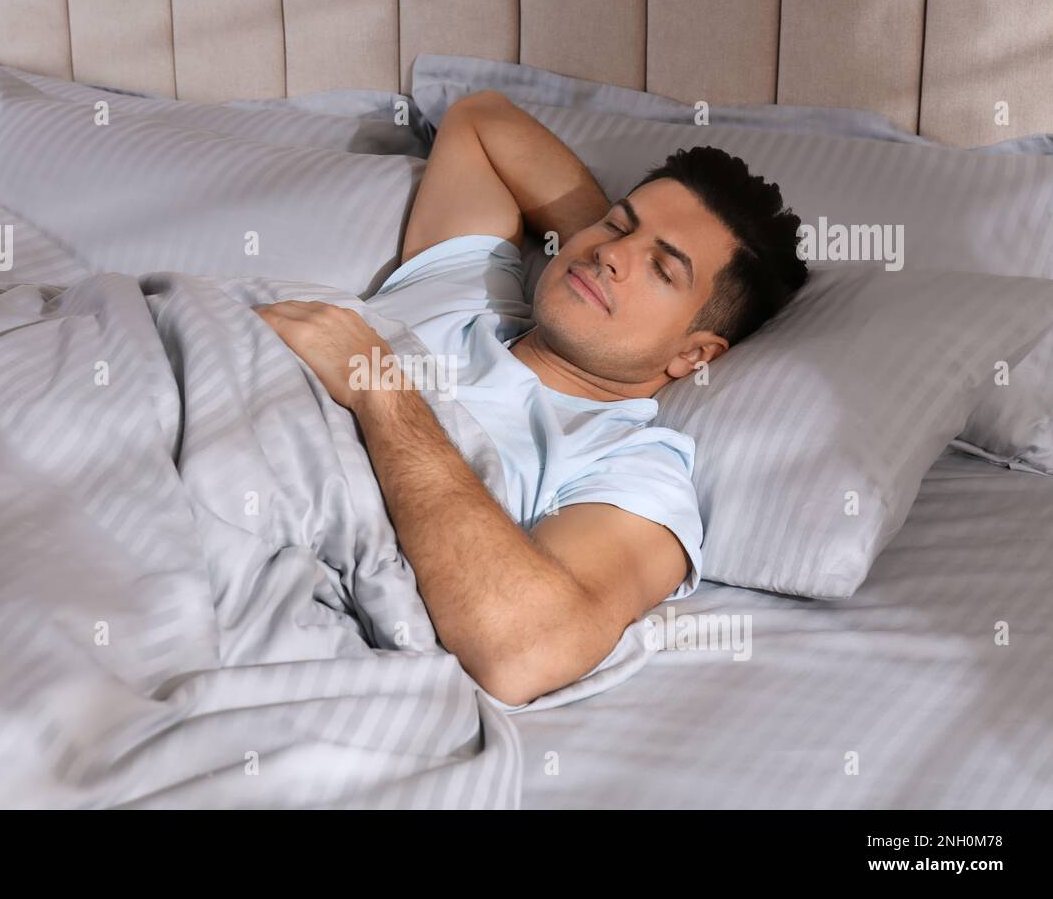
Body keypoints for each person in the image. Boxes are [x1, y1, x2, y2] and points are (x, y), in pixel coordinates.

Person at [255, 90, 807, 707]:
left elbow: (524, 651)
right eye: (618, 226)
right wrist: (598, 260)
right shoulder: (469, 290)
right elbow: (479, 120)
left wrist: (382, 390)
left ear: (694, 356)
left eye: (663, 270)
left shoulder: (634, 469)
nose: (612, 253)